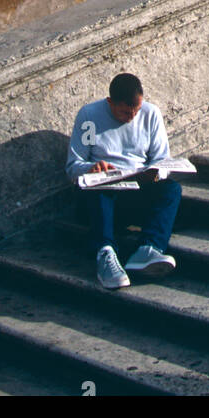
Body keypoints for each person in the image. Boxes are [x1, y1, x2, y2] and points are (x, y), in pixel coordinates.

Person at [66, 72, 182, 291]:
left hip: (136, 192)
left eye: (135, 111)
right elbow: (73, 166)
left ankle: (148, 249)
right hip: (100, 198)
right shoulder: (89, 116)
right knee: (99, 188)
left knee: (172, 189)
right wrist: (91, 168)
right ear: (110, 102)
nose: (131, 117)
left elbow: (161, 160)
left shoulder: (150, 114)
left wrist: (154, 174)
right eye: (124, 112)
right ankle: (105, 253)